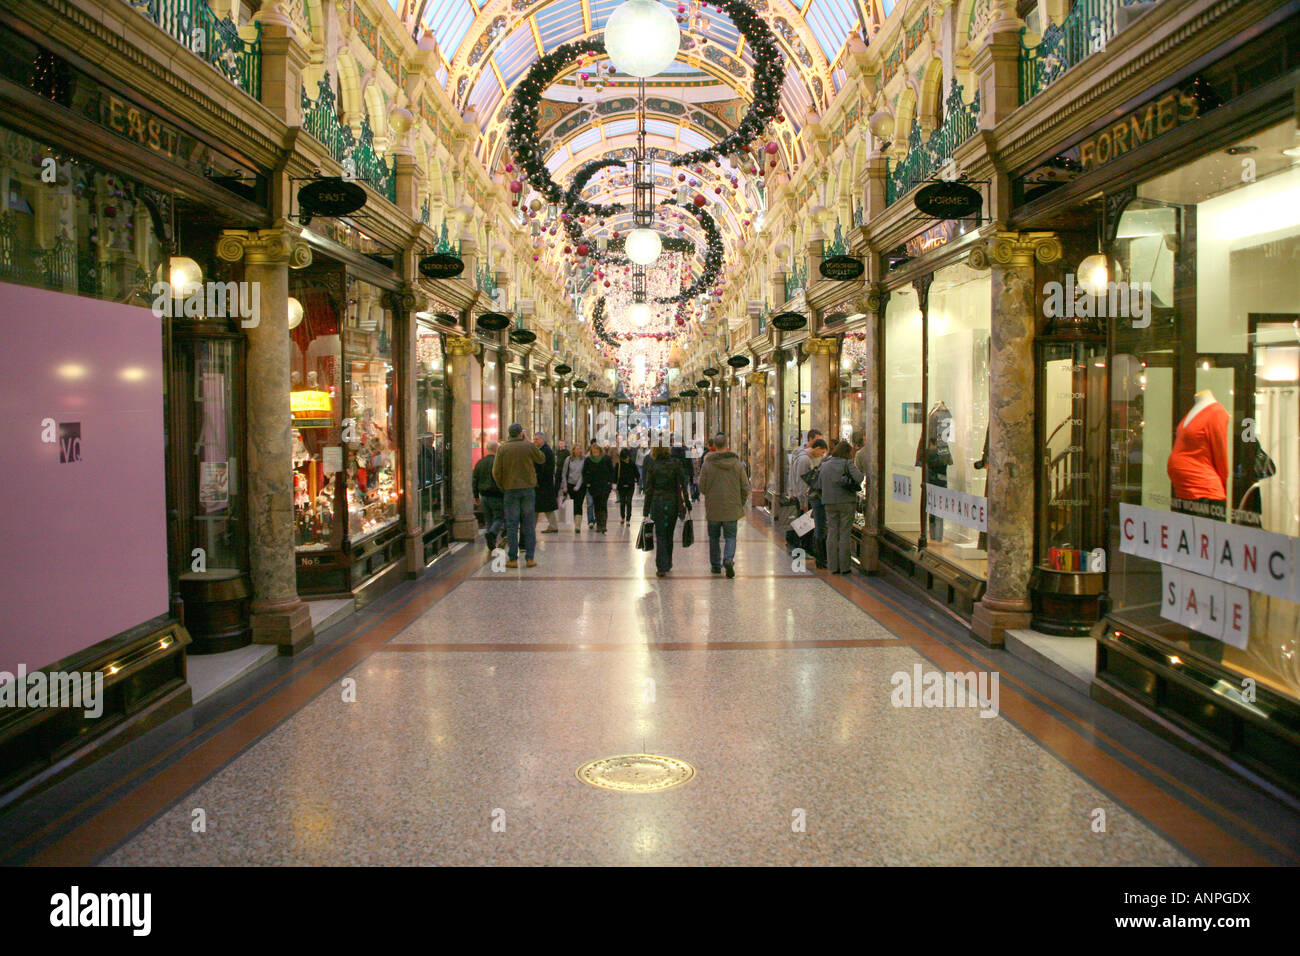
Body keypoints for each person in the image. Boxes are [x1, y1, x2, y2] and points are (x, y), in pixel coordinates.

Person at [492, 423, 544, 568]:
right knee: (528, 524)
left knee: (512, 525)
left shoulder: (503, 448)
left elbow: (496, 472)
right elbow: (541, 458)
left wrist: (503, 486)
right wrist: (527, 441)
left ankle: (513, 558)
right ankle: (530, 558)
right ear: (521, 433)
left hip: (510, 490)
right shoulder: (528, 446)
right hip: (527, 489)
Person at [698, 433, 749, 578]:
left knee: (713, 537)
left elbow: (702, 487)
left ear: (714, 446)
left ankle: (715, 565)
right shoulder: (737, 465)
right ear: (727, 445)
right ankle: (728, 559)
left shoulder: (707, 464)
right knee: (731, 536)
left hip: (713, 508)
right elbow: (745, 487)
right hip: (732, 507)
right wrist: (741, 502)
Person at [816, 440, 864, 574]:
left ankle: (832, 566)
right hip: (846, 502)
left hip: (829, 502)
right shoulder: (847, 463)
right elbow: (859, 477)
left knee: (832, 532)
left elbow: (819, 484)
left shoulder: (825, 464)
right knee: (844, 533)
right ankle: (844, 567)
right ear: (847, 452)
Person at [642, 445, 690, 577]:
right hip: (673, 503)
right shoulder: (676, 464)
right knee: (669, 533)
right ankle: (667, 562)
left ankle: (661, 566)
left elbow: (649, 489)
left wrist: (646, 510)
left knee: (660, 534)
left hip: (657, 503)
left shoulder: (652, 466)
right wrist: (687, 503)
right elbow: (683, 484)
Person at [471, 440, 504, 555]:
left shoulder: (480, 463)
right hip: (497, 495)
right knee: (499, 517)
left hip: (484, 496)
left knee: (489, 519)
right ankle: (493, 534)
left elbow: (474, 480)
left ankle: (491, 543)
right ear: (497, 450)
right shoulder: (499, 462)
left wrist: (475, 496)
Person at [582, 444, 616, 533]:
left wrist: (610, 482)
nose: (595, 453)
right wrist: (587, 483)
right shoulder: (588, 460)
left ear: (600, 451)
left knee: (603, 505)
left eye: (596, 451)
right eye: (593, 452)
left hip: (605, 486)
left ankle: (603, 525)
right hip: (594, 487)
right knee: (597, 505)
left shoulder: (606, 459)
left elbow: (612, 471)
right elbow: (584, 472)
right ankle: (599, 524)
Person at [533, 432, 559, 532]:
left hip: (543, 484)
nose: (535, 441)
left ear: (542, 440)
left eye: (536, 439)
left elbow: (546, 468)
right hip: (543, 484)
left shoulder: (545, 451)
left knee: (540, 507)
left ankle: (533, 527)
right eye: (534, 439)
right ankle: (553, 526)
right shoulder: (542, 450)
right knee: (544, 507)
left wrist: (537, 478)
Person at [563, 445, 586, 533]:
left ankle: (578, 526)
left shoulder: (584, 460)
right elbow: (564, 473)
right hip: (570, 484)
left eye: (580, 448)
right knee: (574, 504)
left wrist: (578, 486)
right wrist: (564, 485)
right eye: (577, 449)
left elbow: (583, 474)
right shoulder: (568, 459)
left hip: (581, 485)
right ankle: (575, 520)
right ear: (573, 451)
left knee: (579, 504)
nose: (579, 450)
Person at [615, 448, 639, 525]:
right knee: (622, 502)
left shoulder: (632, 463)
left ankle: (628, 519)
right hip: (621, 486)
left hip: (630, 486)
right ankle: (622, 517)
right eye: (625, 457)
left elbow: (637, 473)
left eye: (627, 457)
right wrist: (614, 484)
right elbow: (615, 475)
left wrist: (637, 480)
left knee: (629, 502)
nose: (626, 459)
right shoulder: (618, 464)